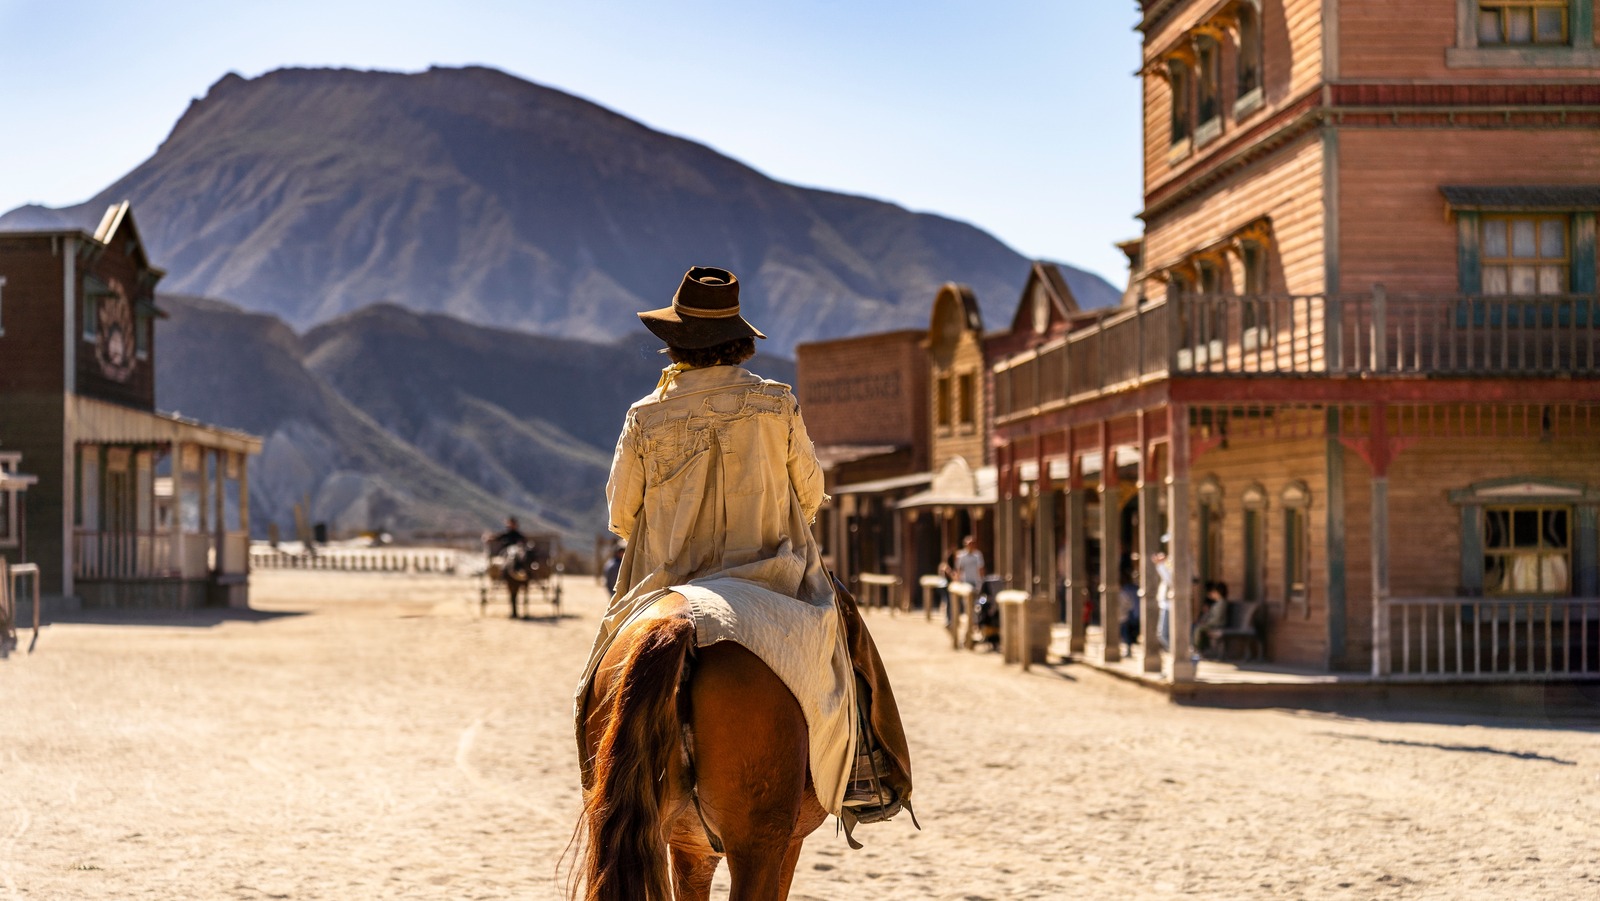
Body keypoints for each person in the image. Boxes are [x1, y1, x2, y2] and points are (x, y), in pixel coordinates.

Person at [576, 265, 911, 831]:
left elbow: (619, 514)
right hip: (771, 578)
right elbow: (811, 492)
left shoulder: (644, 414)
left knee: (599, 676)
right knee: (845, 633)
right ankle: (868, 769)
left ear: (674, 342)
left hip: (664, 582)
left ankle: (597, 779)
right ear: (738, 342)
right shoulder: (777, 403)